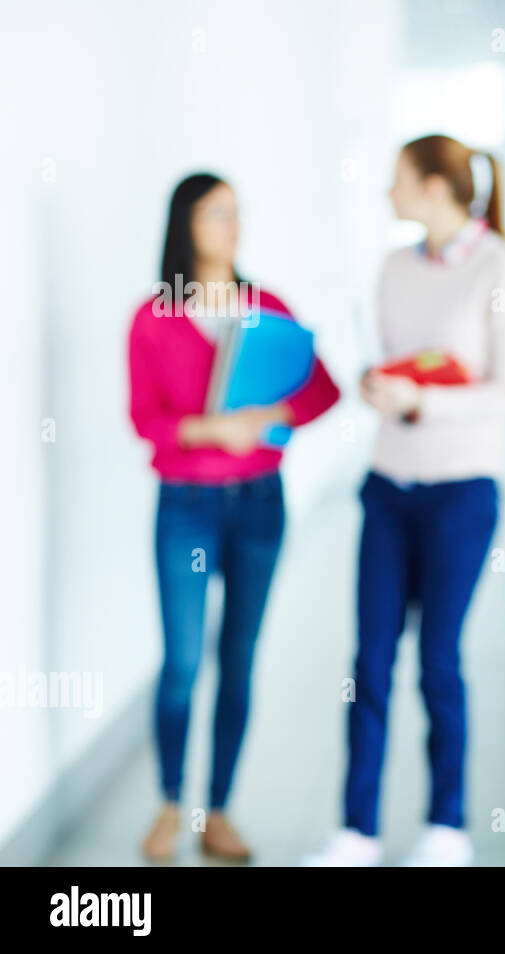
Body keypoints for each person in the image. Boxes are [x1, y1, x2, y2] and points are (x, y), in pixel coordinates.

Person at [303, 135, 505, 867]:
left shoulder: (502, 269)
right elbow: (384, 360)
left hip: (460, 494)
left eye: (397, 180)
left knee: (438, 659)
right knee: (369, 660)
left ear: (435, 188)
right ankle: (357, 830)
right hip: (386, 487)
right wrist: (380, 387)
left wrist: (422, 402)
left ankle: (447, 827)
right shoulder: (393, 266)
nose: (387, 193)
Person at [129, 172, 341, 863]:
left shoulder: (269, 307)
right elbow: (146, 421)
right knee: (184, 662)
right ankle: (169, 804)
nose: (232, 225)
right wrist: (208, 430)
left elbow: (322, 390)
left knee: (238, 660)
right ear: (185, 224)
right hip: (185, 508)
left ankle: (217, 811)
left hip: (258, 506)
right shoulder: (153, 316)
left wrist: (267, 418)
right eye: (216, 214)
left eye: (236, 212)